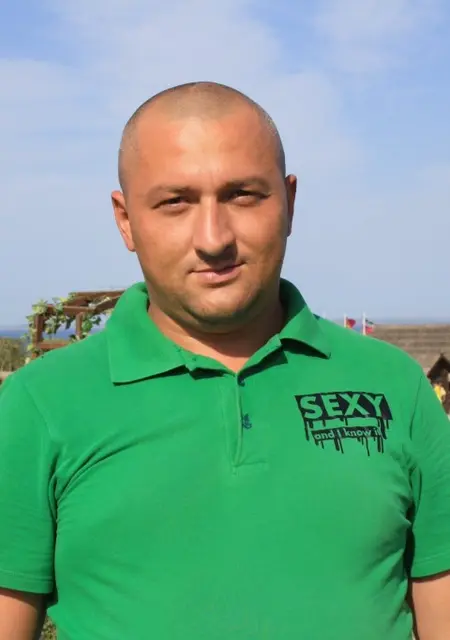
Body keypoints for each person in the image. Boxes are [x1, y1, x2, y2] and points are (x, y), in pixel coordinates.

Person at [1, 81, 450, 640]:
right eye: (175, 202)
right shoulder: (39, 405)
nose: (214, 239)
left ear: (289, 203)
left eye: (243, 195)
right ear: (125, 220)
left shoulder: (394, 387)